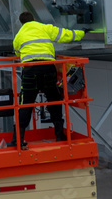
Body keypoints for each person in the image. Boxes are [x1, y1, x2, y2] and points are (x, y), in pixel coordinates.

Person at [10, 11, 84, 147]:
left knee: (25, 104)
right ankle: (59, 136)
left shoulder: (19, 35)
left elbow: (17, 52)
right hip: (47, 68)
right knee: (55, 100)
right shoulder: (45, 28)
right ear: (34, 18)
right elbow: (65, 34)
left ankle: (18, 140)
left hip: (30, 71)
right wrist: (83, 33)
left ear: (22, 23)